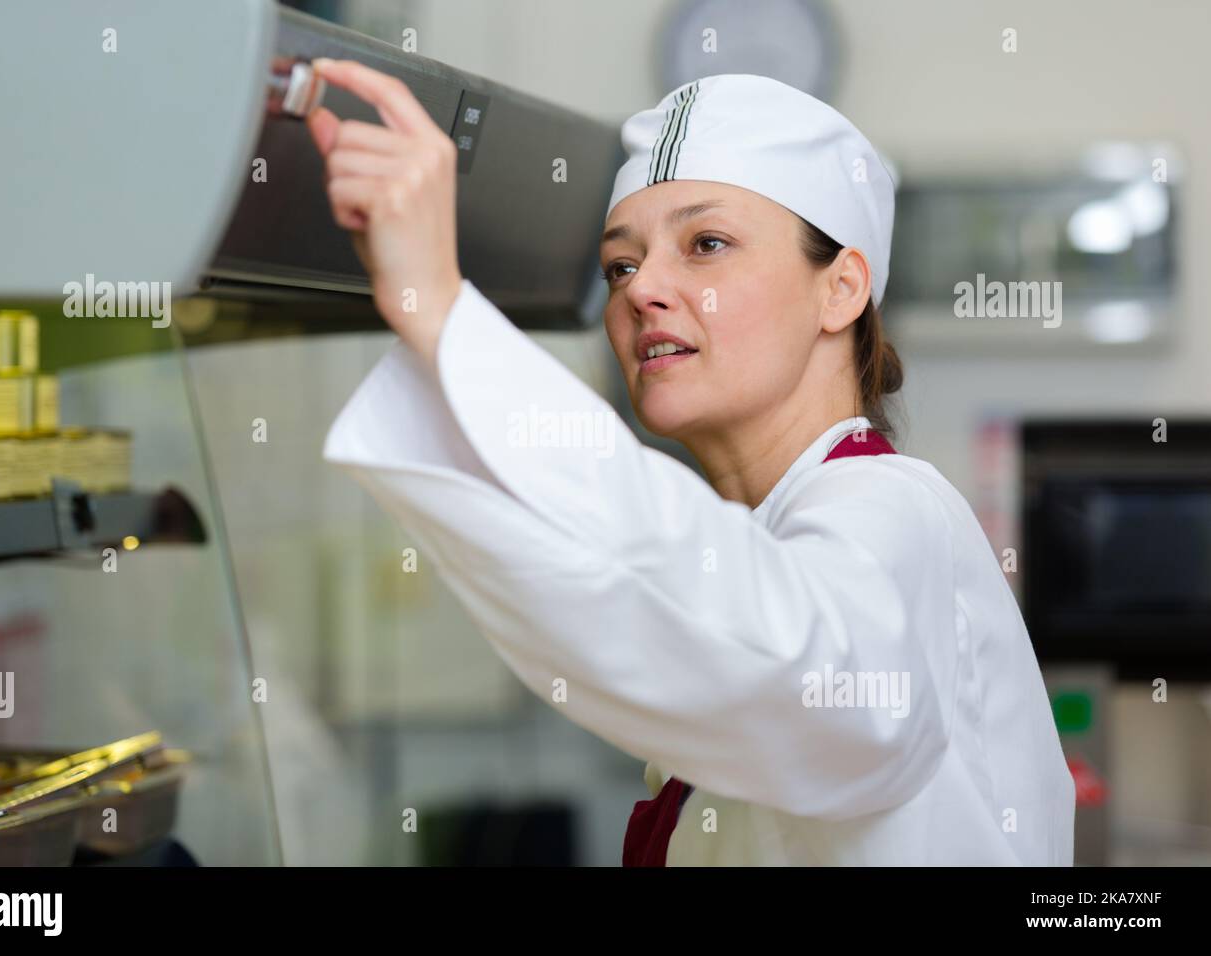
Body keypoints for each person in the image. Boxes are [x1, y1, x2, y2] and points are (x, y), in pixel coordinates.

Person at [308, 59, 1075, 866]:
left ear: (842, 289)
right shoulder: (772, 538)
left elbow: (804, 675)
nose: (643, 291)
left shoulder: (890, 509)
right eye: (622, 265)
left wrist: (440, 306)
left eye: (707, 244)